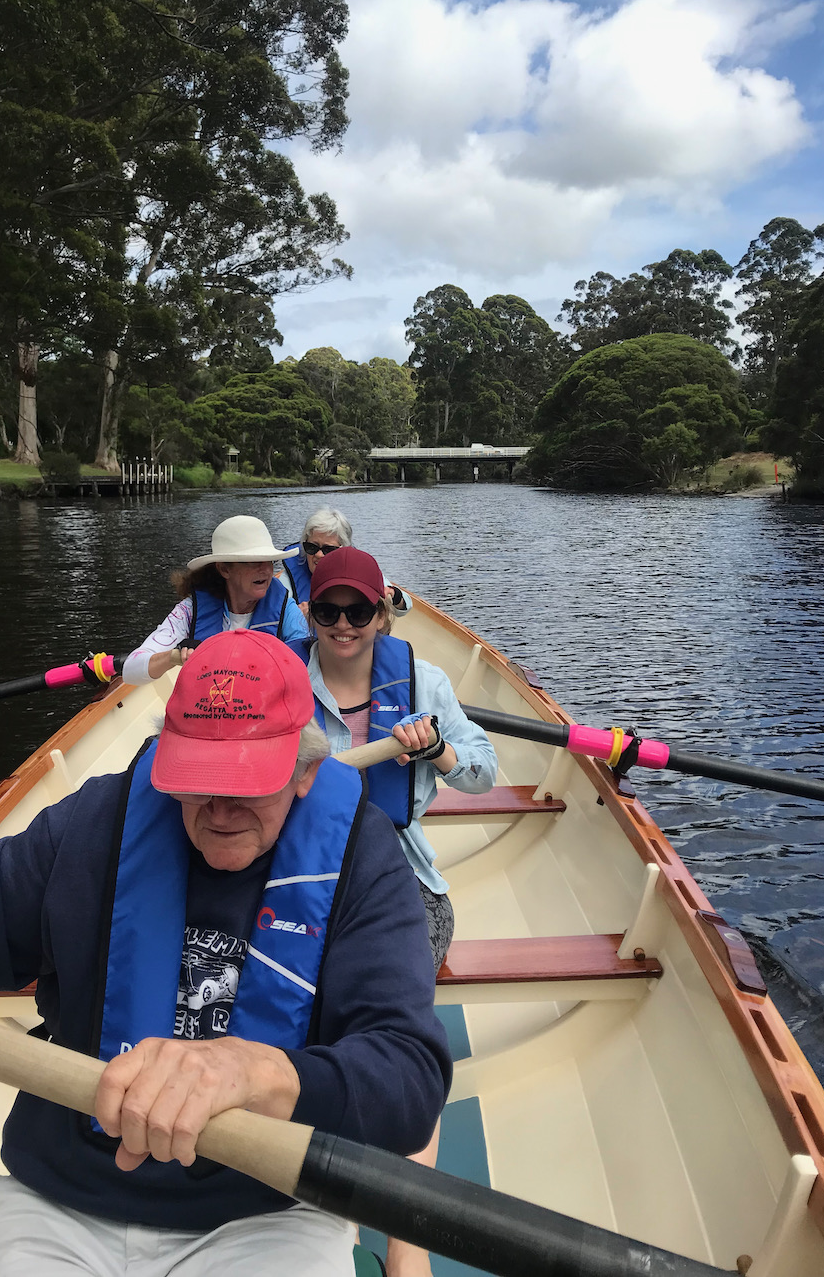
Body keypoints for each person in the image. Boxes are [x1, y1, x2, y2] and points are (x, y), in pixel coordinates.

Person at [0, 630, 451, 1277]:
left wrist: (257, 1072)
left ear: (307, 771)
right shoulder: (97, 822)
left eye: (248, 783)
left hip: (263, 1216)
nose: (221, 809)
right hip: (59, 1204)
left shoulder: (363, 861)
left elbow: (409, 1076)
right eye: (198, 781)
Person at [290, 545, 497, 1277]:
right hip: (302, 877)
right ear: (309, 612)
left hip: (401, 884)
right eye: (327, 610)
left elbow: (483, 772)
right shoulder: (286, 675)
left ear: (380, 614)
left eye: (358, 610)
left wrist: (436, 750)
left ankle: (406, 1249)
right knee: (302, 1024)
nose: (343, 625)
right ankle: (333, 1227)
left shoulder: (425, 682)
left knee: (398, 1047)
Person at [123, 515, 309, 682]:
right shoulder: (189, 611)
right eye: (254, 561)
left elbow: (308, 664)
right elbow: (131, 668)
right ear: (224, 569)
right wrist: (175, 656)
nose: (267, 570)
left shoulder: (285, 609)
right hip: (209, 710)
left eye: (270, 561)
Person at [278, 508, 411, 617]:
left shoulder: (360, 567)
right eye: (312, 547)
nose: (318, 555)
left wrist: (392, 595)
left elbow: (405, 607)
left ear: (344, 549)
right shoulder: (287, 580)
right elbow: (277, 615)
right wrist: (294, 616)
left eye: (328, 549)